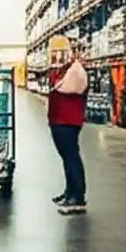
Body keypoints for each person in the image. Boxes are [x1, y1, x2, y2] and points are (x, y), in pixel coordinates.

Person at [48, 36, 89, 215]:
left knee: (72, 157)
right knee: (67, 158)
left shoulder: (76, 70)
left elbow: (69, 88)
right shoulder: (64, 69)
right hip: (59, 120)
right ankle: (69, 191)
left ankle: (78, 197)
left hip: (68, 120)